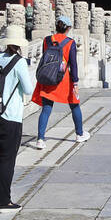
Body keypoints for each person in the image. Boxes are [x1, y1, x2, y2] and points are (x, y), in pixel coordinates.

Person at [0, 24, 34, 213]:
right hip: (10, 117)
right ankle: (5, 201)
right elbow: (28, 89)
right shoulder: (19, 62)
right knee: (7, 159)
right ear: (20, 43)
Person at [30, 14, 90, 151]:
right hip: (63, 79)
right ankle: (79, 134)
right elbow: (73, 65)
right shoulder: (70, 43)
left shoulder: (47, 40)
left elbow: (47, 58)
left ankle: (40, 139)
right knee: (74, 105)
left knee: (46, 108)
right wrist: (75, 82)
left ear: (56, 26)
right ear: (68, 28)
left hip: (48, 77)